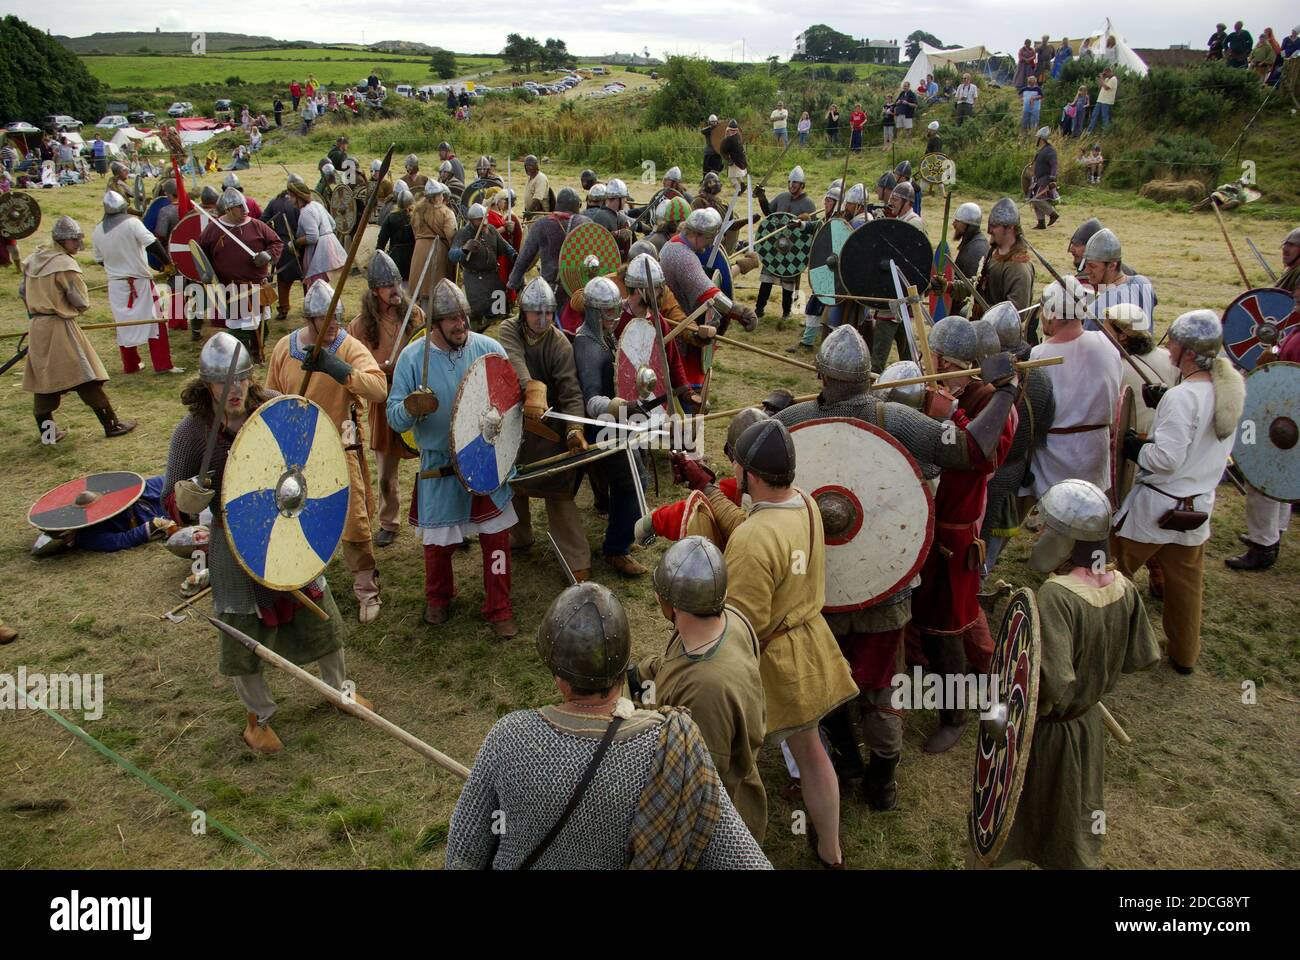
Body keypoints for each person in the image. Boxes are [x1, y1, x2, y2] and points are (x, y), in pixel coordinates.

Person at [775, 326, 1021, 805]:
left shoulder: (794, 421)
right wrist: (1008, 390)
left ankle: (845, 765)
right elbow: (970, 449)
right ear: (868, 377)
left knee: (825, 682)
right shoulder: (896, 420)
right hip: (882, 588)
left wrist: (767, 416)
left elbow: (742, 457)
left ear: (820, 374)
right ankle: (880, 782)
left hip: (820, 589)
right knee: (881, 688)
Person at [446, 581, 769, 869]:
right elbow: (744, 861)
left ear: (558, 676)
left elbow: (463, 856)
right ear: (622, 665)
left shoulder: (509, 739)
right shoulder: (676, 745)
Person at [168, 332, 370, 753]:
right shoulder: (193, 434)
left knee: (322, 613)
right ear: (208, 385)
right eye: (225, 382)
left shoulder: (274, 408)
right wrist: (187, 499)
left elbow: (311, 457)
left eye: (241, 378)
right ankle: (256, 719)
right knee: (241, 631)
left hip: (290, 530)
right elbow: (176, 502)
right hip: (235, 543)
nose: (235, 389)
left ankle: (340, 690)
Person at [672, 419, 859, 867]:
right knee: (812, 754)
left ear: (750, 474)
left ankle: (733, 850)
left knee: (740, 763)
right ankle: (831, 852)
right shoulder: (807, 503)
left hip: (774, 663)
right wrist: (714, 491)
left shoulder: (755, 541)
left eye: (737, 467)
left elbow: (737, 626)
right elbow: (755, 526)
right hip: (811, 640)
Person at [997, 479, 1158, 868]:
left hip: (1054, 729)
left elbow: (1051, 684)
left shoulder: (1058, 596)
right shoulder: (1122, 585)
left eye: (1048, 528)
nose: (1038, 533)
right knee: (1077, 805)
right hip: (1089, 724)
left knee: (1053, 811)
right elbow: (1139, 656)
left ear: (1069, 540)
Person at [1114, 311, 1245, 673]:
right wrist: (1168, 398)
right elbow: (1197, 432)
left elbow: (1165, 459)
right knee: (1186, 587)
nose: (1167, 344)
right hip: (1197, 507)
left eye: (1172, 340)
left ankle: (1104, 642)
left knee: (1111, 572)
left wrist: (1134, 448)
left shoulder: (1183, 399)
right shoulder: (1226, 391)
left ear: (1187, 351)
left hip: (1158, 506)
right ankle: (1185, 656)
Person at [910, 319, 1019, 752]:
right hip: (925, 522)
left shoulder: (990, 402)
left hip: (955, 536)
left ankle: (955, 714)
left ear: (942, 359)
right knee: (947, 614)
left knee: (947, 624)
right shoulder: (944, 389)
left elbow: (982, 455)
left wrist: (949, 414)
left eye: (930, 356)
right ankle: (986, 675)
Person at [387, 279, 518, 636]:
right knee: (438, 542)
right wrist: (411, 408)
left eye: (463, 317)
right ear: (436, 324)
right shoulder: (414, 359)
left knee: (496, 538)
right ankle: (439, 597)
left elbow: (510, 401)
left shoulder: (489, 349)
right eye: (451, 319)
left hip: (487, 461)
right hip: (439, 463)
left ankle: (499, 605)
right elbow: (393, 415)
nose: (461, 325)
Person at [264, 280, 387, 624]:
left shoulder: (348, 347)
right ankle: (301, 583)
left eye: (337, 320)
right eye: (326, 321)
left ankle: (366, 587)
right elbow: (271, 394)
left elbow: (378, 388)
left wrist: (338, 369)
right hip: (296, 449)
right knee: (294, 517)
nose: (333, 326)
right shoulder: (284, 350)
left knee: (354, 522)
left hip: (339, 442)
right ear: (311, 320)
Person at [631, 537, 767, 839]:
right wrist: (639, 676)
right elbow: (673, 663)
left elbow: (701, 782)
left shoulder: (706, 690)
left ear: (672, 604)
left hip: (713, 822)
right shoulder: (726, 619)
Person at [498, 277, 591, 578]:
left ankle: (577, 560)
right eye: (537, 312)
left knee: (558, 489)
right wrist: (532, 390)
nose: (544, 319)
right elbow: (513, 360)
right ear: (523, 312)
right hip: (513, 420)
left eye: (549, 313)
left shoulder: (559, 343)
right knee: (513, 483)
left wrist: (574, 429)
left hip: (550, 425)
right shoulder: (508, 330)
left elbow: (571, 391)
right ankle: (519, 534)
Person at [20, 216, 136, 441]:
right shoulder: (63, 265)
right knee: (85, 376)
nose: (77, 244)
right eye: (74, 240)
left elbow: (22, 292)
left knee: (45, 382)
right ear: (63, 241)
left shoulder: (34, 259)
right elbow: (81, 301)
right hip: (58, 327)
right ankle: (111, 425)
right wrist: (62, 304)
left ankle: (48, 435)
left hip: (38, 327)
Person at [572, 276, 651, 577]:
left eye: (614, 310)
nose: (613, 317)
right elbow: (591, 400)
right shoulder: (587, 346)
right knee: (633, 482)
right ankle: (616, 549)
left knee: (634, 478)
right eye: (606, 312)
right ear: (592, 312)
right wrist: (619, 405)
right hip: (600, 427)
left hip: (621, 421)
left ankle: (625, 534)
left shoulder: (605, 337)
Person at [1022, 276, 1121, 504]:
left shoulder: (1040, 356)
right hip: (1097, 446)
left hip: (1056, 453)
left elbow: (1034, 412)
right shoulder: (1108, 345)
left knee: (1059, 515)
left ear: (1052, 314)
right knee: (1088, 511)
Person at [347, 252, 421, 550]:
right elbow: (358, 369)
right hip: (384, 400)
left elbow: (425, 348)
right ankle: (389, 521)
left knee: (429, 461)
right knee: (386, 473)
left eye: (397, 284)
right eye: (388, 286)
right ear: (374, 290)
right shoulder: (360, 326)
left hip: (416, 397)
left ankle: (432, 518)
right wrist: (382, 371)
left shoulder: (414, 314)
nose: (396, 291)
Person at [979, 302, 1055, 576]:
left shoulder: (986, 378)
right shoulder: (1041, 377)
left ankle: (978, 579)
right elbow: (1043, 429)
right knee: (991, 534)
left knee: (980, 534)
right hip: (1013, 468)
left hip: (990, 469)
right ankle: (983, 573)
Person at [90, 191, 183, 376]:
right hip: (139, 282)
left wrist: (118, 268)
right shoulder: (132, 223)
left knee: (123, 325)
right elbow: (152, 244)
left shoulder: (98, 230)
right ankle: (162, 365)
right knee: (156, 323)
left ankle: (131, 364)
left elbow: (101, 260)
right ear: (124, 207)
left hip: (116, 284)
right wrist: (167, 264)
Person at [198, 188, 282, 362]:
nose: (245, 210)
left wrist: (268, 254)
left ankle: (258, 352)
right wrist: (206, 274)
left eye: (244, 205)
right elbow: (201, 254)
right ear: (228, 209)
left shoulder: (256, 225)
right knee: (239, 327)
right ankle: (240, 357)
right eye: (239, 207)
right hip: (233, 287)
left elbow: (276, 242)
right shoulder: (213, 229)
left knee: (261, 324)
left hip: (258, 284)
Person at [507, 187, 590, 305]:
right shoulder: (586, 223)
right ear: (577, 205)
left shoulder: (541, 224)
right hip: (577, 291)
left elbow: (525, 257)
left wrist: (513, 283)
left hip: (550, 289)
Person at [754, 166, 815, 321]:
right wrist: (762, 197)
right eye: (791, 182)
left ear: (802, 185)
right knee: (766, 279)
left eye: (796, 182)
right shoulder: (782, 197)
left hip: (793, 250)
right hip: (775, 245)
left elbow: (810, 229)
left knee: (788, 282)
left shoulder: (808, 204)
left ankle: (786, 312)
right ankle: (759, 309)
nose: (792, 185)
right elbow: (769, 213)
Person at [449, 203, 516, 332]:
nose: (483, 222)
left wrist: (514, 255)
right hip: (475, 280)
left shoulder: (491, 229)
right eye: (479, 219)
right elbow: (452, 255)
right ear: (471, 220)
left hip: (493, 278)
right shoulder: (464, 233)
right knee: (476, 316)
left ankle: (495, 335)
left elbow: (505, 246)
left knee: (499, 313)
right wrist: (464, 250)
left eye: (484, 218)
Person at [1083, 228, 1156, 332]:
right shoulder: (1144, 283)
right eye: (1086, 265)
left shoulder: (1097, 308)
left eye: (1092, 266)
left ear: (1112, 265)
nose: (1086, 271)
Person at [975, 198, 1035, 316]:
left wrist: (985, 311)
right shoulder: (994, 253)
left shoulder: (1018, 267)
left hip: (1000, 333)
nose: (990, 231)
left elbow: (1017, 313)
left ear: (1010, 228)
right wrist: (951, 287)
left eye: (995, 226)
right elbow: (980, 285)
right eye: (990, 225)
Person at [287, 180, 347, 291]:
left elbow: (312, 237)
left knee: (317, 285)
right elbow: (333, 224)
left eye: (291, 196)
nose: (289, 199)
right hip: (330, 244)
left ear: (298, 197)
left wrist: (296, 242)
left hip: (319, 249)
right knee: (323, 284)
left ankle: (321, 307)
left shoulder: (306, 212)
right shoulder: (317, 205)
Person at [410, 180, 457, 315]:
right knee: (437, 290)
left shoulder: (417, 211)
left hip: (419, 250)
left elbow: (415, 233)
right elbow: (451, 235)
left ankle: (423, 319)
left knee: (422, 291)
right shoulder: (445, 212)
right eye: (441, 195)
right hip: (438, 249)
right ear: (437, 196)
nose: (442, 197)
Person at [261, 175, 305, 321]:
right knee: (305, 278)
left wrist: (272, 232)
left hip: (284, 246)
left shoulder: (275, 202)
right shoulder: (300, 202)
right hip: (301, 244)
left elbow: (263, 222)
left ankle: (283, 309)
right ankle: (309, 306)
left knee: (284, 279)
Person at [946, 202, 988, 317]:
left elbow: (971, 290)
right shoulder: (971, 242)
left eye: (957, 221)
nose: (953, 224)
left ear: (967, 224)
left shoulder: (976, 248)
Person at [376, 188, 416, 281]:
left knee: (397, 282)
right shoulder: (415, 217)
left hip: (395, 255)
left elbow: (382, 239)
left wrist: (378, 254)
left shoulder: (391, 217)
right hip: (413, 254)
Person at [1028, 127, 1059, 230]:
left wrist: (1052, 178)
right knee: (1036, 201)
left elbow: (1054, 165)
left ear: (1041, 138)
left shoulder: (1050, 151)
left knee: (1037, 199)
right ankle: (1041, 223)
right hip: (1038, 180)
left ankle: (1052, 214)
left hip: (1045, 179)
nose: (1036, 139)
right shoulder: (1041, 150)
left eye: (1037, 137)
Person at [1087, 68, 1117, 133]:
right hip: (1100, 100)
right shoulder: (1106, 79)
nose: (1105, 75)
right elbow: (1100, 86)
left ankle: (1105, 133)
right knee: (1094, 115)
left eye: (1105, 74)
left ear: (1109, 72)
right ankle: (1089, 132)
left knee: (1105, 118)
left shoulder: (1114, 79)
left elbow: (1106, 88)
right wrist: (1101, 79)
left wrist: (1102, 79)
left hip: (1107, 101)